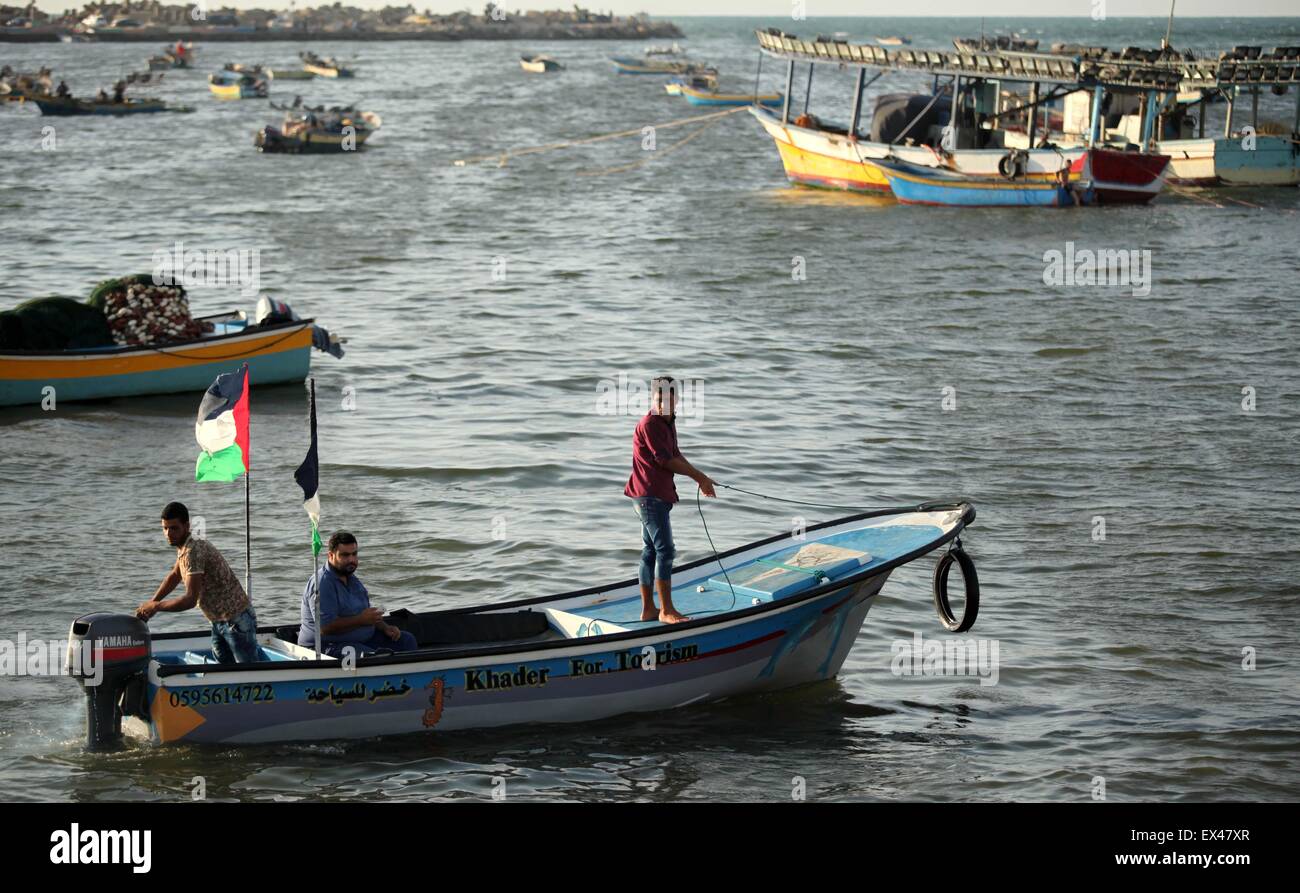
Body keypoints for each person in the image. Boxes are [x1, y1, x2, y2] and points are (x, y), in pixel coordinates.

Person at [624, 375, 716, 624]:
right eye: (659, 398)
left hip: (654, 495)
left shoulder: (668, 421)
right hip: (648, 496)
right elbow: (664, 460)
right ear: (653, 399)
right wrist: (698, 477)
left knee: (650, 550)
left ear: (677, 400)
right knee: (665, 550)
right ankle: (666, 610)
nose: (664, 404)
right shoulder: (651, 423)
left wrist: (702, 478)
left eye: (669, 399)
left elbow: (675, 453)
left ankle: (648, 610)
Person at [136, 502, 260, 664]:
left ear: (186, 526)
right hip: (218, 621)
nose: (168, 534)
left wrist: (157, 607)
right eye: (165, 528)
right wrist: (153, 602)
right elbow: (175, 574)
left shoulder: (193, 550)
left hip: (236, 621)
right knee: (224, 674)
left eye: (174, 528)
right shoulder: (184, 544)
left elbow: (190, 600)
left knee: (249, 675)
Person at [297, 531, 418, 657]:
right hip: (324, 646)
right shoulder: (322, 583)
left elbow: (366, 615)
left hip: (360, 640)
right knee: (369, 657)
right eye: (345, 555)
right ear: (331, 555)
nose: (351, 560)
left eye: (354, 554)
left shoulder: (352, 579)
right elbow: (325, 627)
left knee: (406, 640)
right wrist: (361, 619)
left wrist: (385, 628)